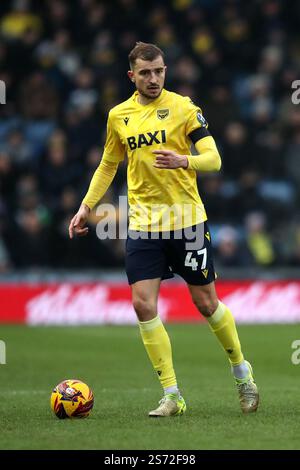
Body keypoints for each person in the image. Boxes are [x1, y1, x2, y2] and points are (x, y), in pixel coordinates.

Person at [69, 42, 259, 417]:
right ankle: (172, 394)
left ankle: (242, 373)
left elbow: (215, 159)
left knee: (206, 303)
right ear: (132, 76)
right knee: (142, 304)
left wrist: (183, 160)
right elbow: (108, 165)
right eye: (145, 73)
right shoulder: (118, 116)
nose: (153, 79)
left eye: (158, 71)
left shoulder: (185, 107)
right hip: (142, 224)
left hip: (187, 221)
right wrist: (86, 206)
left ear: (165, 70)